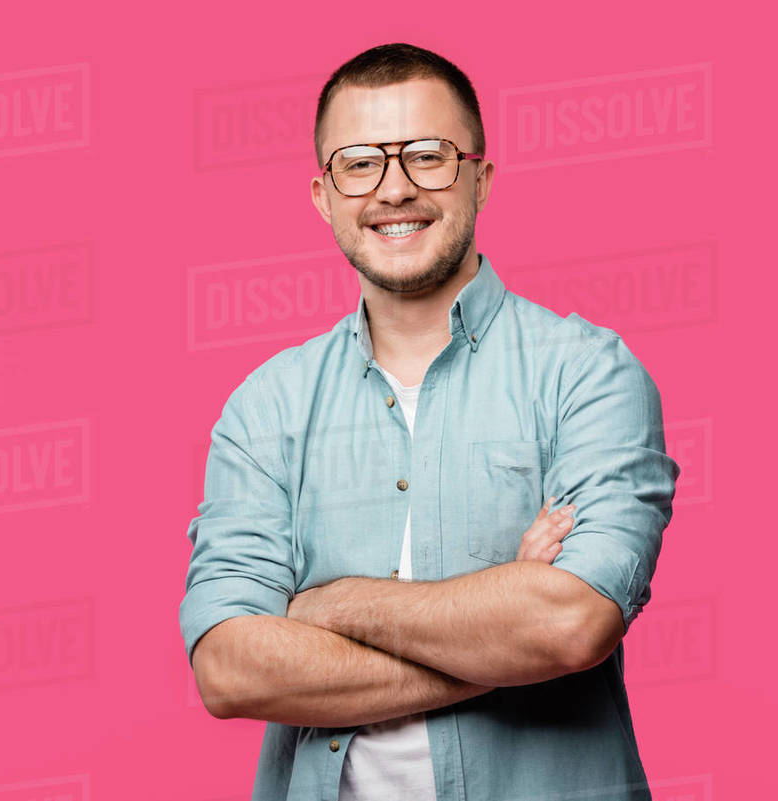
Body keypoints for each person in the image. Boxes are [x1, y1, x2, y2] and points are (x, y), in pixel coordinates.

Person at [179, 42, 680, 801]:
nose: (395, 189)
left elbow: (571, 625)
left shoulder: (588, 374)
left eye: (427, 156)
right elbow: (229, 669)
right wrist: (503, 632)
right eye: (359, 163)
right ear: (323, 195)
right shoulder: (266, 409)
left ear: (480, 178)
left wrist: (328, 607)